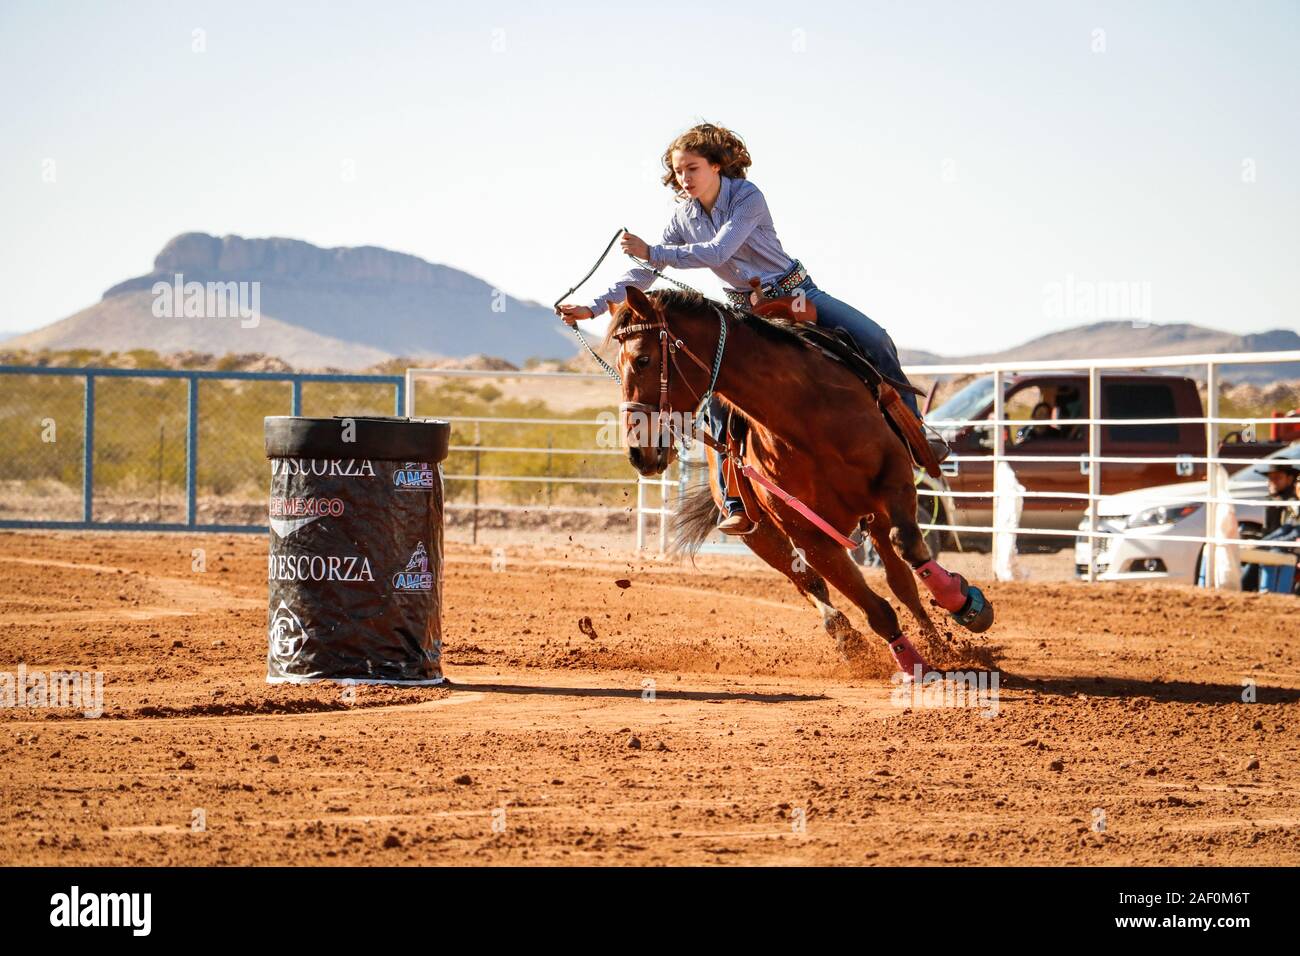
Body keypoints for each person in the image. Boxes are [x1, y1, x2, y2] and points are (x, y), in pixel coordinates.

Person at [557, 122, 937, 534]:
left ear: (717, 166)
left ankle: (914, 434)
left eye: (693, 168)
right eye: (679, 171)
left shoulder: (747, 197)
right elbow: (644, 272)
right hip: (744, 313)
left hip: (796, 295)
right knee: (720, 398)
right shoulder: (682, 218)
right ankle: (734, 497)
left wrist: (655, 250)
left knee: (875, 338)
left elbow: (719, 250)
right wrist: (593, 308)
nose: (684, 178)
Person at [1241, 462, 1300, 592]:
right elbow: (1287, 529)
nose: (1272, 482)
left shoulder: (1291, 504)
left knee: (1267, 555)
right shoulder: (1278, 502)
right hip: (1281, 545)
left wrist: (1263, 545)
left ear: (1289, 480)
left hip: (1288, 549)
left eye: (1277, 478)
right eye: (1271, 478)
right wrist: (1262, 544)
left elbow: (1293, 533)